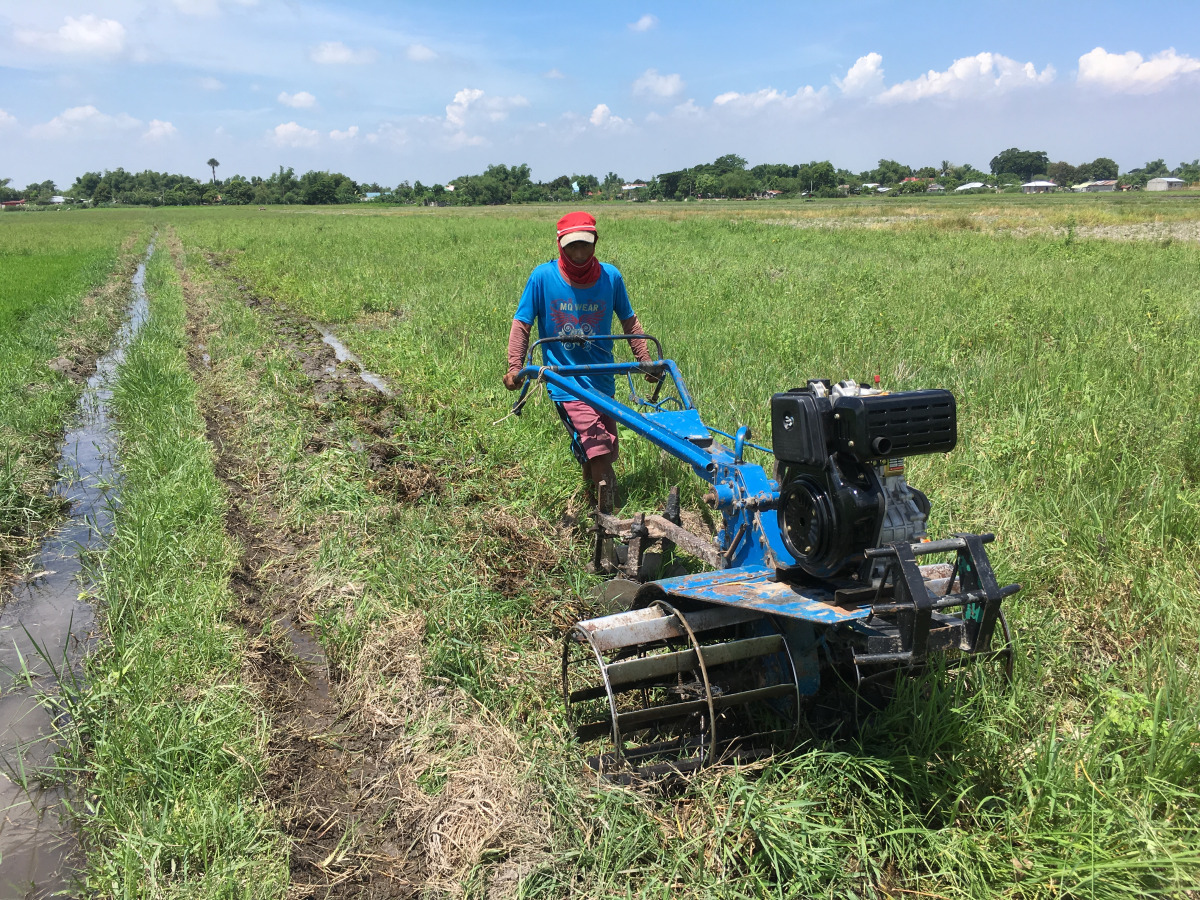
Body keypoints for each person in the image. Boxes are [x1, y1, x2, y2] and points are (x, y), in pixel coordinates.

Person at [504, 211, 654, 511]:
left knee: (606, 450)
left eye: (585, 245)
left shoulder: (611, 277)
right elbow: (522, 323)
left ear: (595, 242)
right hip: (565, 382)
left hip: (602, 379)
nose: (580, 253)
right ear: (561, 245)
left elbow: (629, 321)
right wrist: (514, 366)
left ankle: (589, 506)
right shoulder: (543, 277)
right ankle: (610, 516)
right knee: (598, 451)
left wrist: (645, 360)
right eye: (572, 246)